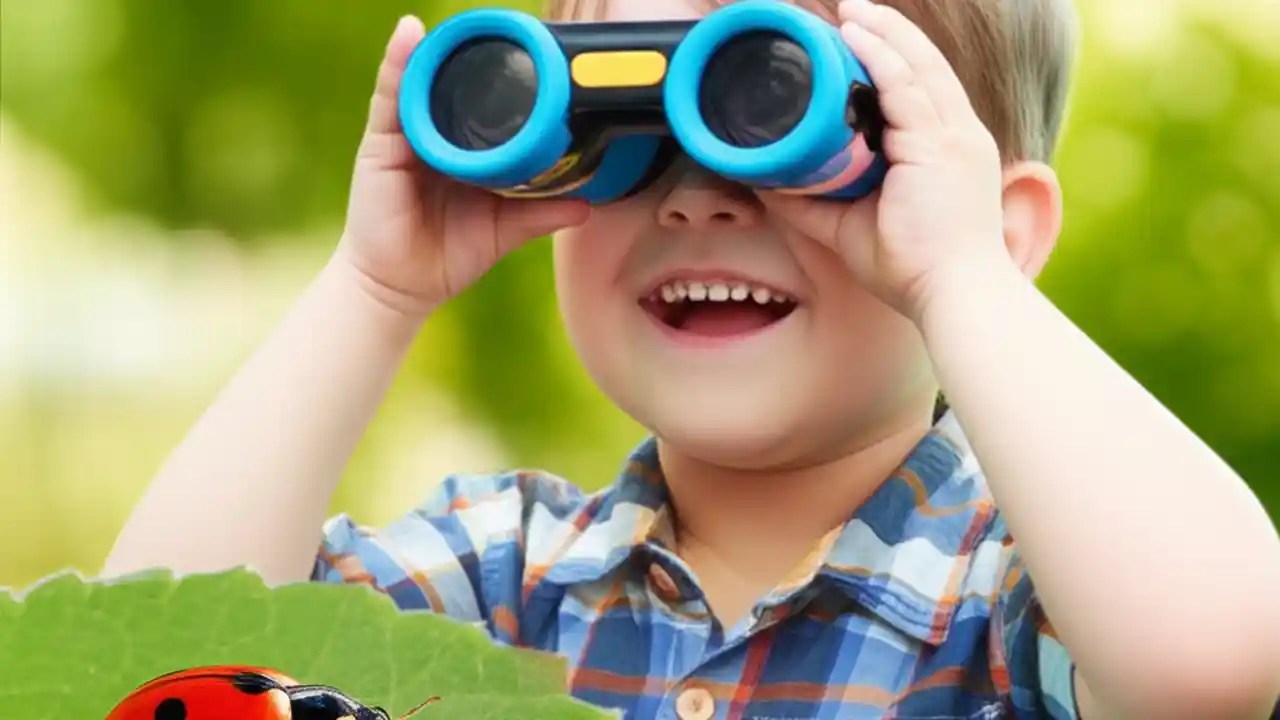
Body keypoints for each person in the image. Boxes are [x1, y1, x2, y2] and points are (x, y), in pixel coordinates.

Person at [101, 0, 1280, 717]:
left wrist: (956, 278)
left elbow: (1213, 665)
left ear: (997, 234)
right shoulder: (494, 581)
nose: (698, 200)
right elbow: (150, 673)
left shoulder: (1017, 603)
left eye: (776, 117)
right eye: (623, 142)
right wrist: (373, 289)